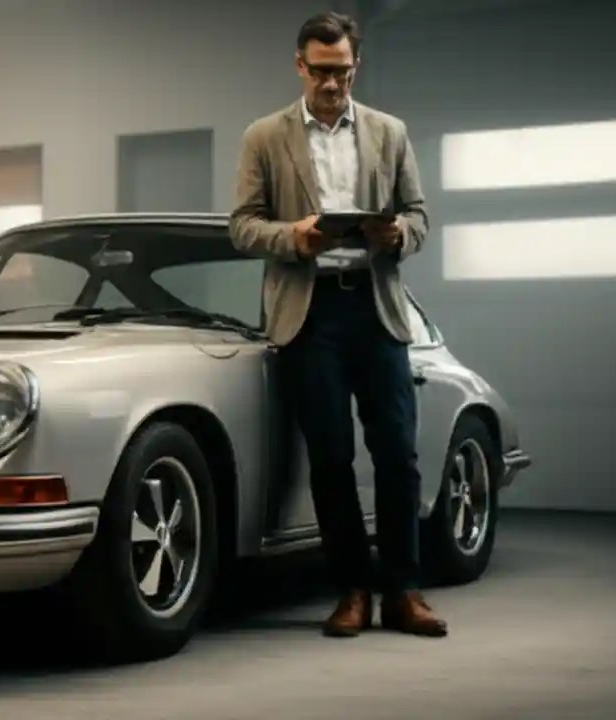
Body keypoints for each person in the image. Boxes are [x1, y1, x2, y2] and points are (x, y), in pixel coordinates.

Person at [228, 11, 446, 638]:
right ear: (300, 66)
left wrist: (397, 233)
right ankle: (352, 591)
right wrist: (293, 236)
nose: (332, 84)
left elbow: (420, 216)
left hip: (376, 309)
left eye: (342, 72)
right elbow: (242, 226)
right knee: (330, 458)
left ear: (357, 66)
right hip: (309, 312)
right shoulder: (263, 136)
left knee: (398, 455)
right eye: (321, 71)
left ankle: (403, 592)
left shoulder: (389, 132)